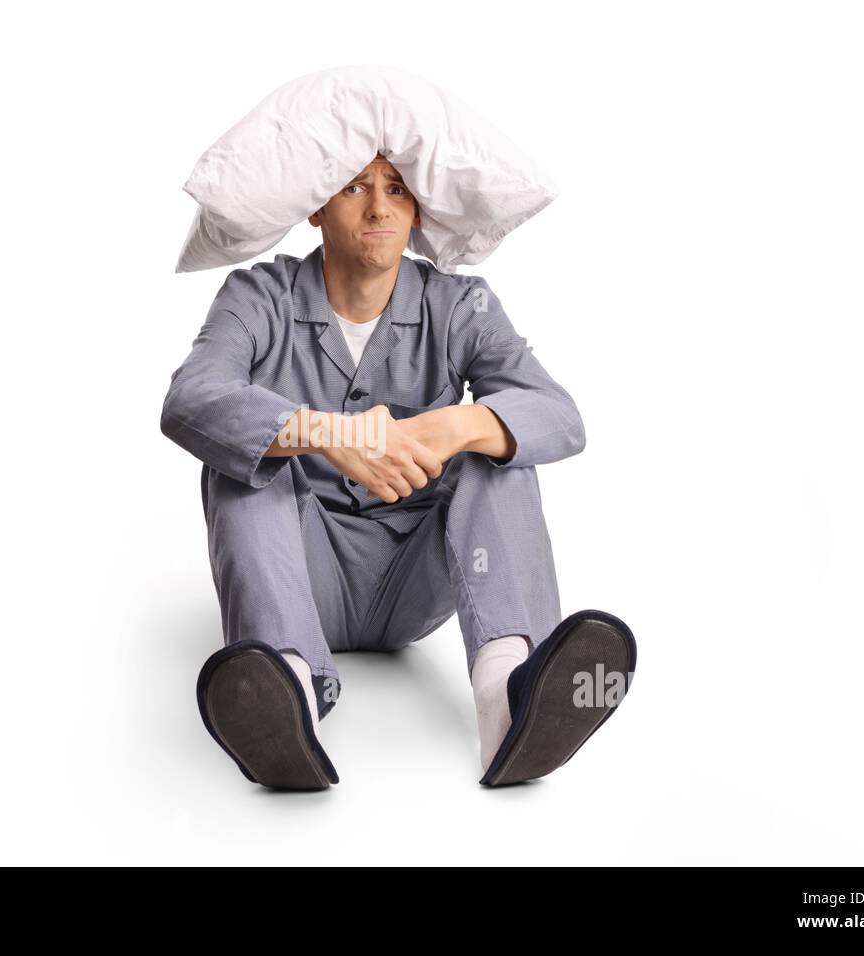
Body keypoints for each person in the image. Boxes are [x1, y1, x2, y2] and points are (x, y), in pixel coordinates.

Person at [162, 153, 637, 789]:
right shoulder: (258, 296)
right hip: (301, 573)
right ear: (316, 207)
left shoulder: (460, 303)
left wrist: (457, 424)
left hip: (417, 577)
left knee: (498, 447)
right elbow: (190, 399)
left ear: (416, 209)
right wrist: (327, 433)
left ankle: (509, 696)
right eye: (353, 188)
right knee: (243, 456)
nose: (379, 207)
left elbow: (559, 416)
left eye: (396, 190)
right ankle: (287, 693)